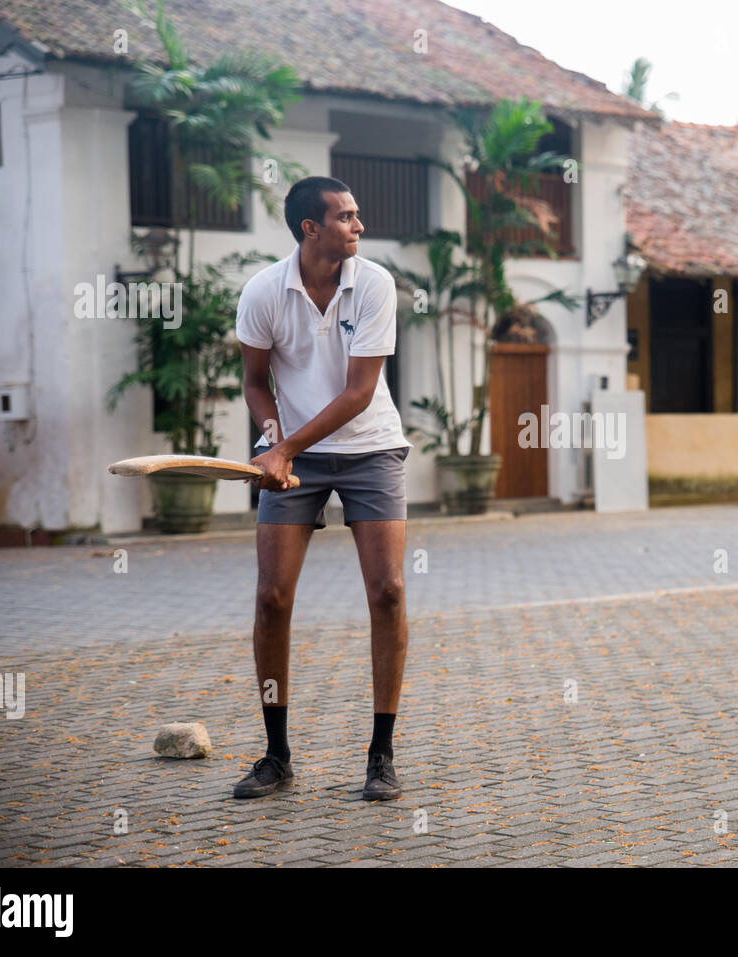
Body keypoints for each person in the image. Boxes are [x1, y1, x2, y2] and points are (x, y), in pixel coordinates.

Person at [232, 175, 410, 801]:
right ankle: (277, 756)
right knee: (271, 599)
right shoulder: (263, 292)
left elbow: (360, 393)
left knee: (387, 592)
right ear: (311, 227)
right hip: (293, 456)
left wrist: (283, 446)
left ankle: (380, 755)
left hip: (370, 449)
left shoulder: (376, 285)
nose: (359, 226)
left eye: (358, 216)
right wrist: (271, 437)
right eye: (347, 216)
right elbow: (256, 381)